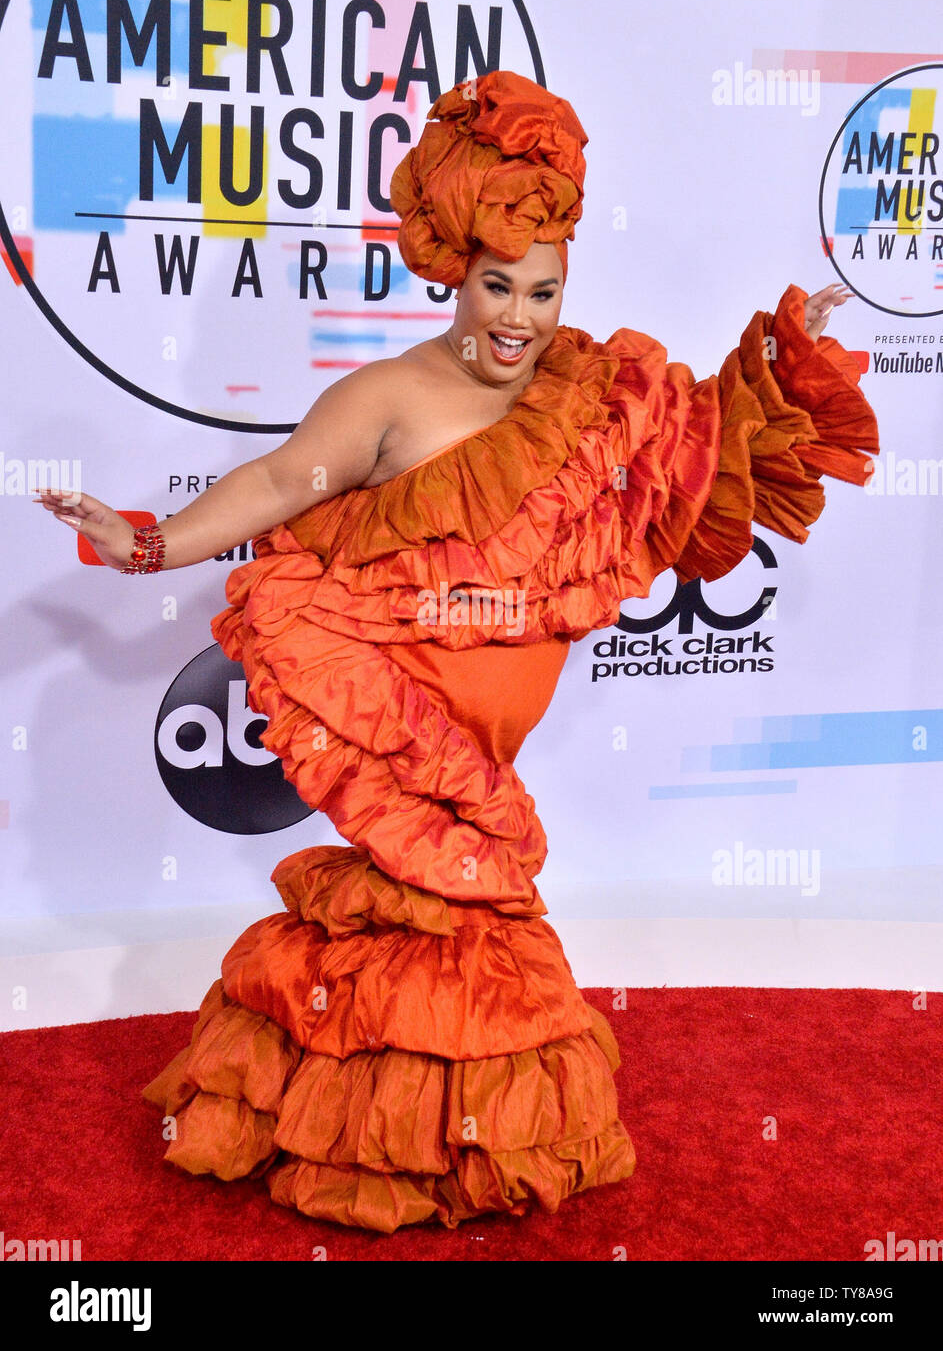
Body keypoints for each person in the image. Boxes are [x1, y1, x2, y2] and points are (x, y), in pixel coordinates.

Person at [33, 70, 879, 1234]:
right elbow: (283, 483)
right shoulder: (388, 398)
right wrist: (144, 543)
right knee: (450, 939)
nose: (518, 319)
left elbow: (705, 457)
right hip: (408, 732)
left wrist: (784, 365)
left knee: (435, 948)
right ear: (453, 277)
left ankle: (400, 1124)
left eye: (541, 291)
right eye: (496, 288)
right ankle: (381, 1144)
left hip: (496, 735)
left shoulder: (593, 397)